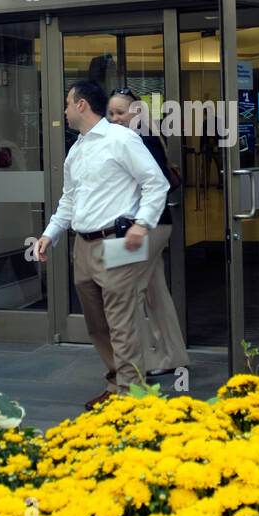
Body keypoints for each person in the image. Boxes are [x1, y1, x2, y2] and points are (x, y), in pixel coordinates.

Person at [36, 80, 169, 409]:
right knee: (97, 324)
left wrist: (143, 224)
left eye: (67, 104)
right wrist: (49, 234)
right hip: (83, 245)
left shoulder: (121, 139)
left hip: (118, 242)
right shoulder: (76, 150)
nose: (64, 112)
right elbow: (68, 200)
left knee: (121, 322)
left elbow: (157, 183)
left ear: (81, 105)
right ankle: (116, 384)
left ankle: (131, 395)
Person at [107, 90, 188, 377]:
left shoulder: (144, 141)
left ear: (136, 113)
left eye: (120, 112)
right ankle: (173, 355)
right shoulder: (142, 139)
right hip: (151, 226)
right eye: (111, 113)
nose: (115, 118)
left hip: (144, 227)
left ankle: (141, 360)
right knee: (155, 291)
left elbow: (156, 184)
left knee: (128, 292)